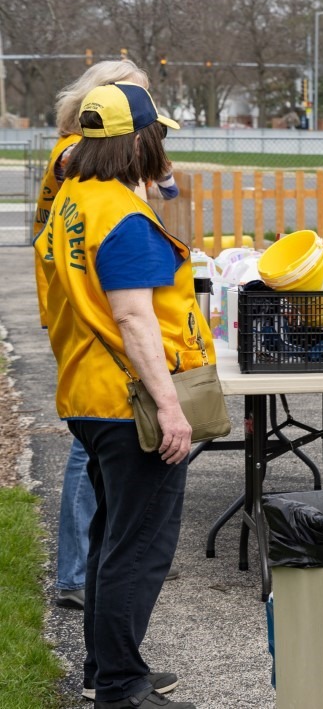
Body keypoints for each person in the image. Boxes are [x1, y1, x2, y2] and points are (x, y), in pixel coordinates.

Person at [43, 83, 198, 709]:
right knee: (138, 548)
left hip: (85, 392)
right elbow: (134, 320)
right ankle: (121, 688)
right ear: (138, 140)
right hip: (129, 402)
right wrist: (170, 407)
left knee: (112, 539)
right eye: (155, 134)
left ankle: (105, 668)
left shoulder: (72, 201)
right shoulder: (126, 218)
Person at [35, 60, 151, 615]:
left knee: (93, 453)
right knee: (93, 451)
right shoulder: (77, 157)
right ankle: (79, 571)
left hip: (78, 302)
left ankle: (102, 562)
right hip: (87, 312)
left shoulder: (75, 154)